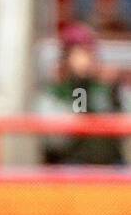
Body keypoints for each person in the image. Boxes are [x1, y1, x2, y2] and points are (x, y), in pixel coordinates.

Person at [36, 22, 126, 165]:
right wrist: (80, 82)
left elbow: (120, 128)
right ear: (67, 56)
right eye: (80, 53)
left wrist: (114, 88)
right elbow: (73, 126)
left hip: (110, 164)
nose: (87, 58)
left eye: (89, 51)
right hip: (73, 164)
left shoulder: (107, 87)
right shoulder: (57, 91)